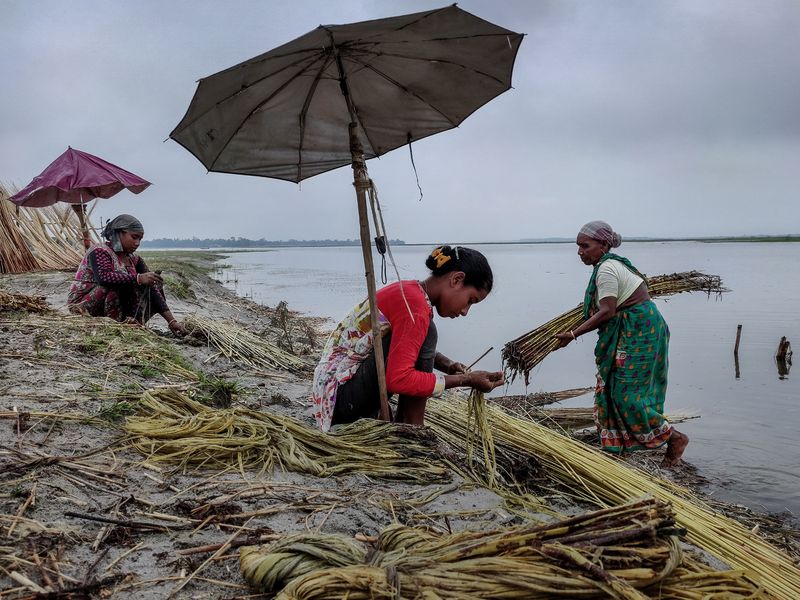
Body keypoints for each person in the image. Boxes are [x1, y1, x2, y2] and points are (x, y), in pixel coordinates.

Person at [312, 245, 504, 431]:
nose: (465, 311)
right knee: (429, 331)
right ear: (456, 279)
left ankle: (407, 420)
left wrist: (447, 364)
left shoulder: (411, 292)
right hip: (339, 402)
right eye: (470, 300)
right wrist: (466, 379)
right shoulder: (415, 309)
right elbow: (398, 379)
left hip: (332, 397)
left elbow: (405, 344)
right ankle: (412, 423)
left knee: (426, 332)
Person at [554, 221, 689, 467]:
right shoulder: (607, 267)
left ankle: (675, 438)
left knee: (626, 394)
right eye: (578, 246)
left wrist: (572, 334)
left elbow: (606, 311)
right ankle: (616, 448)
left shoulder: (606, 270)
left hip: (640, 331)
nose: (579, 252)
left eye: (585, 246)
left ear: (604, 245)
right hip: (637, 326)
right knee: (613, 386)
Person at [67, 214, 186, 336]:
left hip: (111, 303)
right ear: (119, 234)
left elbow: (152, 289)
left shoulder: (135, 259)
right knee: (120, 283)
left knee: (153, 284)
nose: (137, 243)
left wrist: (171, 321)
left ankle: (133, 323)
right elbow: (103, 278)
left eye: (140, 239)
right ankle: (117, 326)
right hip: (83, 305)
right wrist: (139, 278)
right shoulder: (99, 251)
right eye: (134, 237)